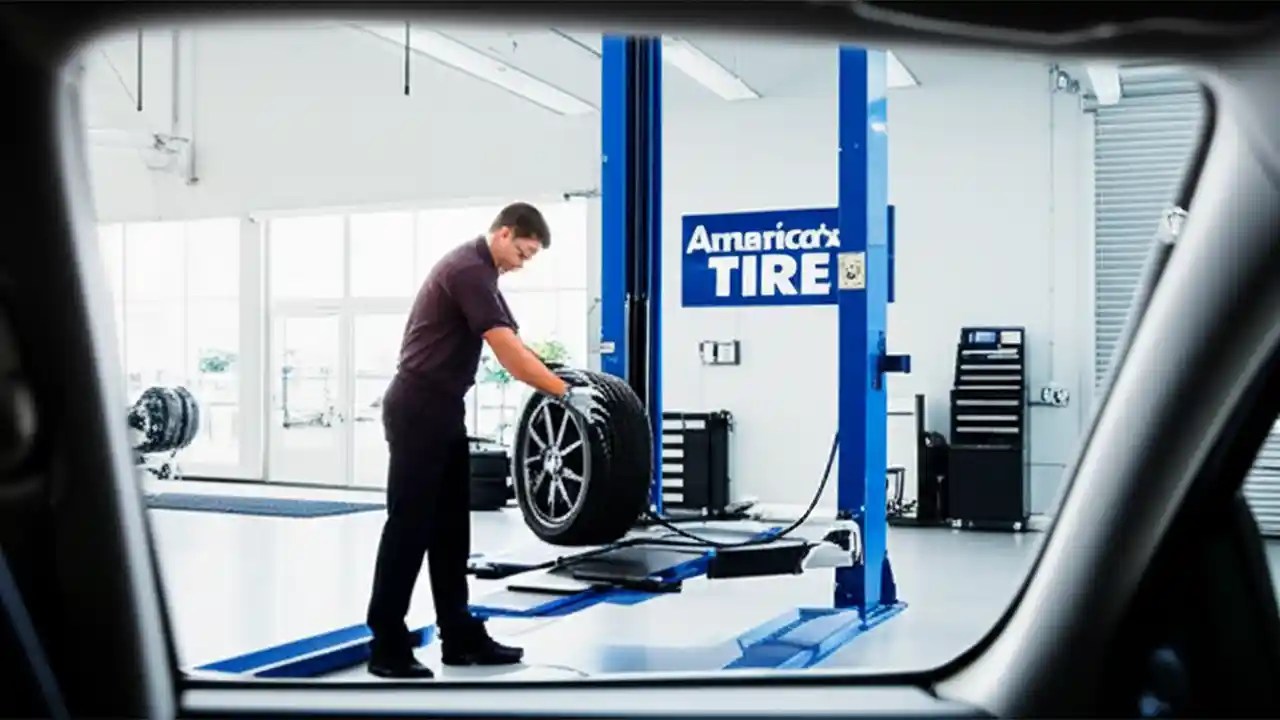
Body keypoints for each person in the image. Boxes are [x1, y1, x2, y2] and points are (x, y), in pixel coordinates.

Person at [365, 201, 602, 679]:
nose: (523, 262)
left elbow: (516, 341)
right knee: (409, 528)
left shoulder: (482, 274)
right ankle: (387, 645)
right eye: (524, 251)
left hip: (443, 409)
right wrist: (563, 394)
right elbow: (509, 354)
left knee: (452, 531)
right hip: (418, 408)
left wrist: (562, 380)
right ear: (504, 233)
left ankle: (459, 636)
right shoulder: (468, 269)